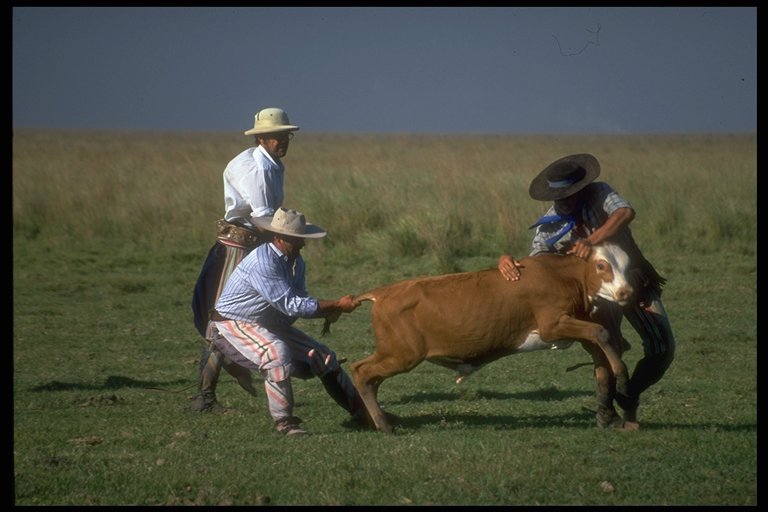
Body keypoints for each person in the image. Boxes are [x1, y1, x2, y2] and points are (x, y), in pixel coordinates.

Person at [497, 153, 675, 430]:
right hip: (597, 296)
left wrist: (591, 241)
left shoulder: (600, 193)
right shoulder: (550, 223)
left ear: (581, 189)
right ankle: (606, 413)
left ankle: (628, 395)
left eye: (570, 194)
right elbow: (539, 261)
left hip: (633, 280)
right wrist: (507, 259)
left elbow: (625, 212)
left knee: (662, 349)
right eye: (559, 197)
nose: (564, 201)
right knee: (605, 350)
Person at [210, 207, 367, 435]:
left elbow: (298, 301)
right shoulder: (263, 262)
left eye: (302, 239)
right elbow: (290, 304)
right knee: (276, 353)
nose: (302, 245)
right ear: (279, 237)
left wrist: (329, 310)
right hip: (233, 323)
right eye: (297, 240)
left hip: (267, 323)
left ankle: (363, 413)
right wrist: (335, 305)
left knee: (325, 358)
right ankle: (284, 423)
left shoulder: (296, 262)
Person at [190, 107, 300, 412]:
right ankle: (205, 396)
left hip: (254, 243)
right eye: (277, 137)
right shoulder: (255, 167)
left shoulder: (272, 164)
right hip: (238, 247)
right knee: (223, 317)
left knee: (246, 315)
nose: (283, 141)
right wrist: (290, 238)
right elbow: (262, 215)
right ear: (262, 138)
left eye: (285, 136)